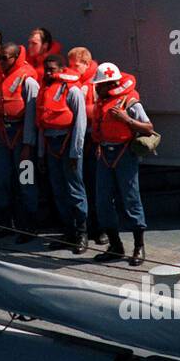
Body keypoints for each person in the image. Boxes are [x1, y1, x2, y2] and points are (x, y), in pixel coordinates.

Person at [89, 62, 153, 265]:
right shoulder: (102, 102)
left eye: (100, 84)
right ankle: (115, 246)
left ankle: (139, 246)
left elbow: (148, 128)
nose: (97, 88)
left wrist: (126, 119)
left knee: (131, 198)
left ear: (110, 83)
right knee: (103, 201)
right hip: (104, 154)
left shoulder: (130, 101)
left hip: (124, 153)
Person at [0, 42, 39, 243]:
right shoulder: (0, 75)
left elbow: (32, 116)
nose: (0, 61)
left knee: (27, 182)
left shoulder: (28, 81)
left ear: (16, 57)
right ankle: (4, 224)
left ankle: (29, 226)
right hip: (3, 137)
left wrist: (27, 145)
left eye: (4, 57)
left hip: (22, 139)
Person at [36, 54, 88, 253]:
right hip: (51, 146)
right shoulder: (44, 91)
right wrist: (41, 154)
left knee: (75, 190)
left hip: (68, 146)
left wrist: (75, 152)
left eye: (53, 69)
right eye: (46, 69)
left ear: (62, 70)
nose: (49, 72)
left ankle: (82, 233)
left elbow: (80, 124)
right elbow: (41, 125)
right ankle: (68, 232)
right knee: (58, 190)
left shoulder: (72, 91)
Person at [67, 46, 107, 247]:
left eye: (75, 66)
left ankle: (99, 228)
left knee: (95, 185)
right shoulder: (73, 84)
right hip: (76, 139)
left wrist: (99, 142)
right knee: (79, 185)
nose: (72, 69)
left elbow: (102, 114)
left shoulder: (97, 84)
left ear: (85, 63)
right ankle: (81, 228)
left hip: (93, 139)